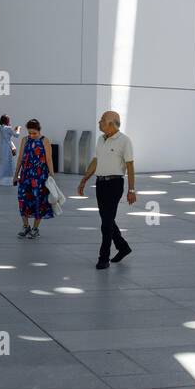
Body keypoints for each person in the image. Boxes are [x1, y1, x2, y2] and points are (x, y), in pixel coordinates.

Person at [76, 110, 136, 270]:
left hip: (115, 184)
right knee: (107, 219)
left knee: (106, 223)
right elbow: (96, 160)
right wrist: (84, 179)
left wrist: (132, 190)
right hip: (100, 184)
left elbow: (130, 166)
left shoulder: (124, 141)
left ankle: (104, 258)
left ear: (111, 123)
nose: (99, 123)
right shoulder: (100, 140)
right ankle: (123, 247)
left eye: (102, 120)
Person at [13, 119, 53, 239]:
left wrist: (52, 175)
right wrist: (16, 174)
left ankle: (35, 228)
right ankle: (26, 226)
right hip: (26, 176)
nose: (32, 135)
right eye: (30, 133)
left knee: (38, 202)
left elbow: (49, 159)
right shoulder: (25, 140)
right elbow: (20, 158)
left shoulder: (44, 141)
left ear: (39, 131)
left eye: (34, 133)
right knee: (23, 200)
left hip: (40, 177)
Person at [0, 114, 20, 185]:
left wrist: (13, 129)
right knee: (8, 162)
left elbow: (8, 135)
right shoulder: (8, 128)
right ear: (7, 120)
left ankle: (7, 179)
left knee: (4, 162)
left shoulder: (0, 128)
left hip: (2, 146)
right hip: (8, 147)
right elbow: (16, 135)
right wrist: (18, 129)